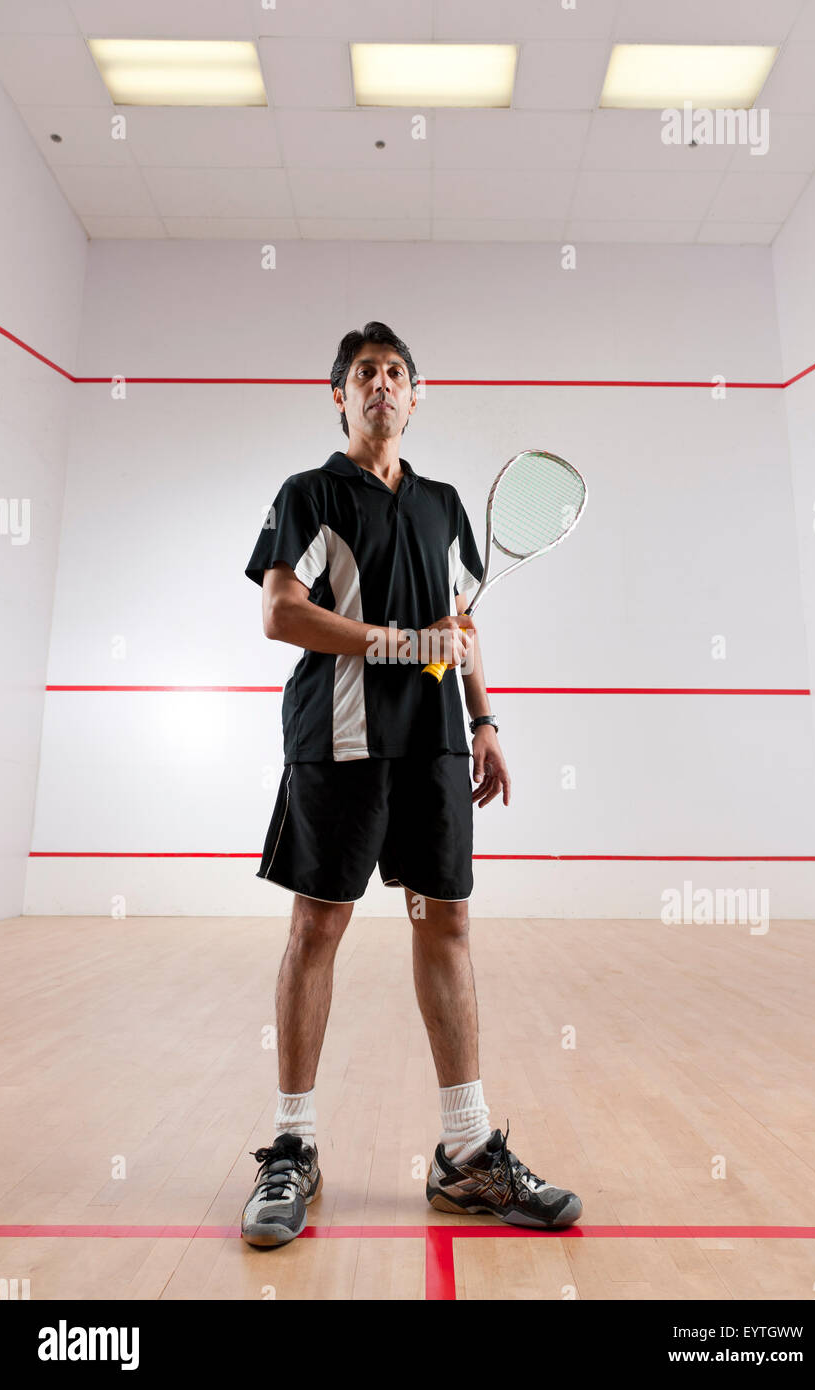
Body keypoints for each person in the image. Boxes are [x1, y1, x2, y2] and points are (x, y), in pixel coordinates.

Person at [240, 320, 582, 1246]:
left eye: (395, 372)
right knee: (319, 924)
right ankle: (291, 1147)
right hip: (337, 742)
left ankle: (467, 1155)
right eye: (364, 373)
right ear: (339, 397)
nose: (381, 384)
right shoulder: (307, 493)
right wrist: (397, 645)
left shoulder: (442, 503)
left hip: (433, 745)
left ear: (416, 394)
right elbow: (280, 611)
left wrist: (484, 719)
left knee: (449, 921)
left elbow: (458, 622)